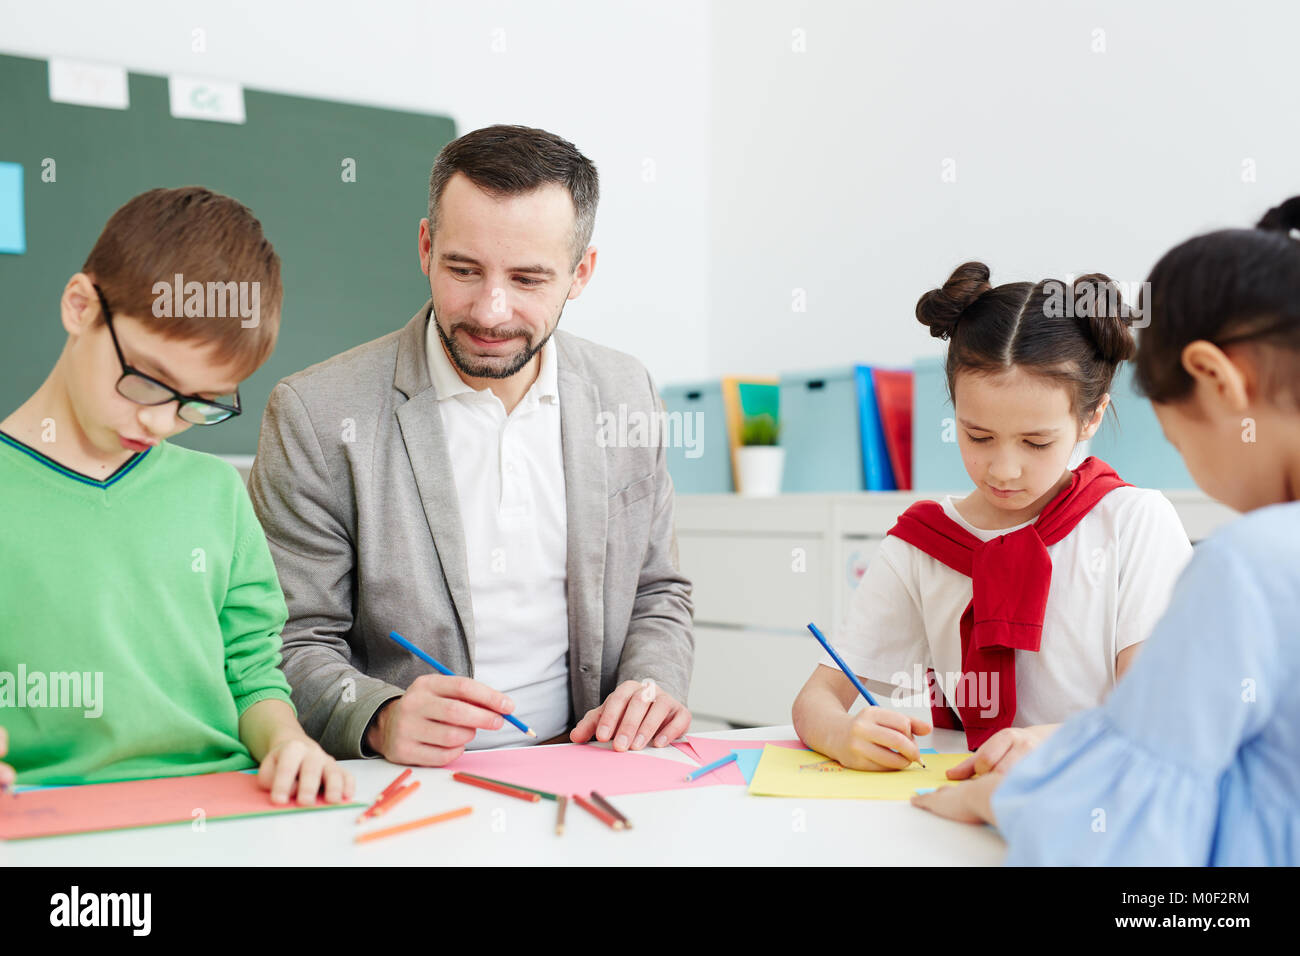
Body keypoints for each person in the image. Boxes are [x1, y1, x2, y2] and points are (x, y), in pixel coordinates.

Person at [248, 125, 694, 766]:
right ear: (426, 248)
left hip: (587, 769)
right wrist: (379, 717)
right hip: (407, 784)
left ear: (580, 274)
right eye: (464, 270)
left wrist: (651, 686)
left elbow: (658, 592)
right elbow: (287, 641)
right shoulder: (317, 416)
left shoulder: (626, 393)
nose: (491, 310)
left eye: (529, 279)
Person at [913, 197, 1300, 865]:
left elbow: (1127, 829)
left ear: (1214, 378)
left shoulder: (1254, 561)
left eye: (1179, 438)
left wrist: (993, 800)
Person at [0, 187, 353, 804]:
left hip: (224, 807)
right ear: (81, 306)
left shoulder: (215, 493)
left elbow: (251, 674)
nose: (162, 423)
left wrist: (288, 743)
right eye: (146, 380)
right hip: (44, 816)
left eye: (200, 402)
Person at [792, 264, 1191, 774]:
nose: (1003, 469)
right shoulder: (923, 542)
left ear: (1091, 417)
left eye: (1036, 442)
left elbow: (1155, 709)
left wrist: (1049, 743)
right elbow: (816, 700)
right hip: (964, 797)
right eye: (978, 436)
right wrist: (843, 732)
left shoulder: (1135, 524)